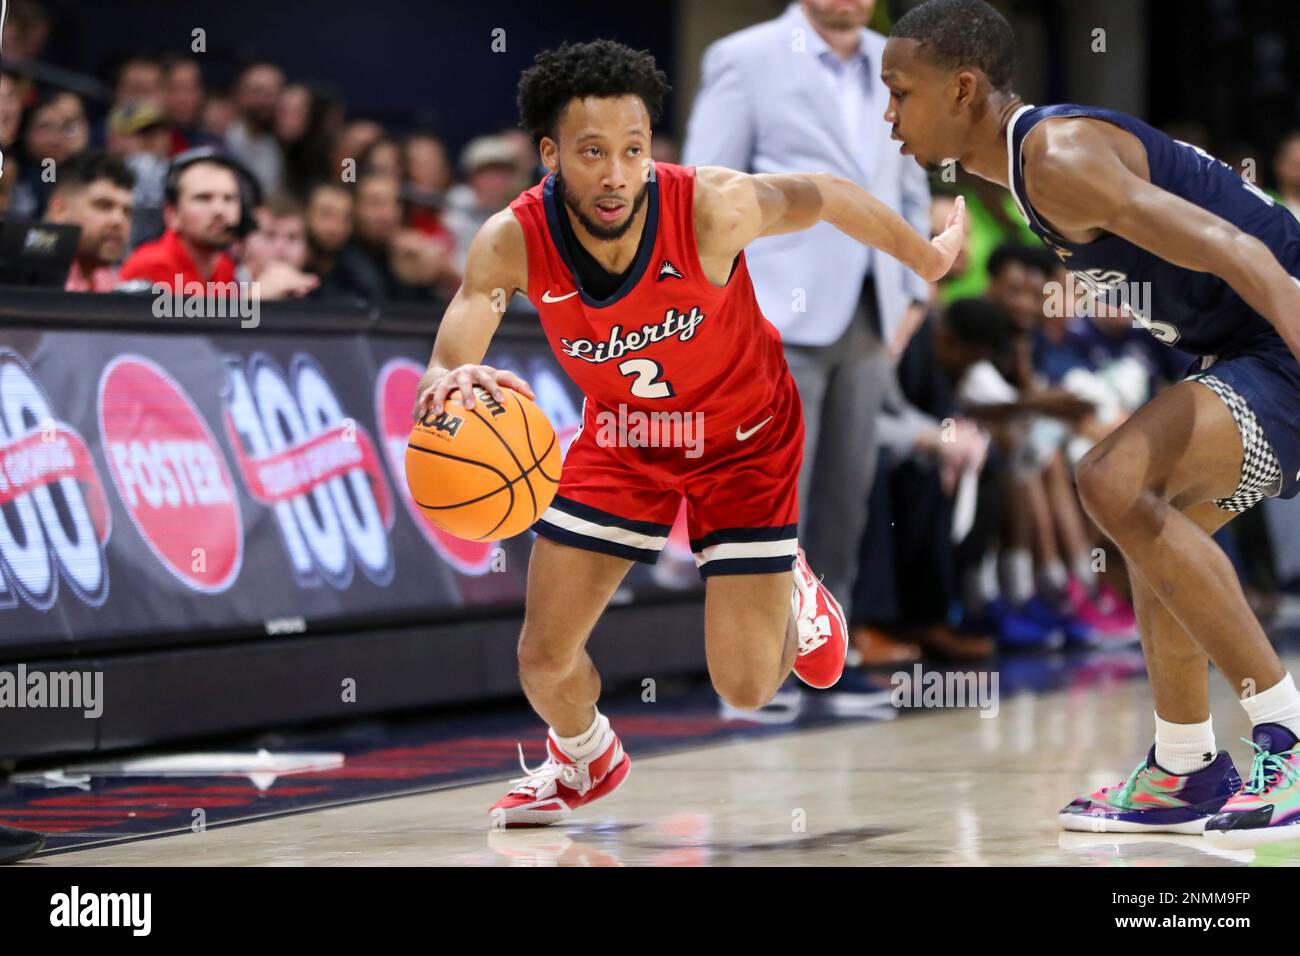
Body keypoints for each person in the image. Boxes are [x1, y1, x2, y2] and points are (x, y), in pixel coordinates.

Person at [410, 40, 963, 827]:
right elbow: (452, 349)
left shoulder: (712, 206)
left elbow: (830, 194)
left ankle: (797, 590)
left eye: (632, 150)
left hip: (746, 439)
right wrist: (444, 381)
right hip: (625, 440)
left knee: (744, 688)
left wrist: (928, 261)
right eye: (591, 152)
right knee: (542, 658)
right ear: (550, 153)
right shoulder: (513, 238)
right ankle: (584, 758)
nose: (614, 174)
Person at [884, 0, 1300, 846]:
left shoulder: (1057, 158)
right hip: (1244, 343)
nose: (888, 114)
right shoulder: (1020, 174)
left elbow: (1241, 252)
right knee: (1153, 525)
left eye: (900, 93)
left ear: (962, 89)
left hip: (1282, 327)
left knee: (1112, 477)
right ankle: (1184, 768)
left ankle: (1287, 739)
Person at [683, 0, 933, 626]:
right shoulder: (745, 57)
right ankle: (757, 657)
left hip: (874, 311)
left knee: (847, 495)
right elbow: (704, 194)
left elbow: (908, 183)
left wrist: (914, 293)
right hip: (770, 314)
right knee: (770, 496)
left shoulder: (897, 59)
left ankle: (828, 647)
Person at [44, 151, 135, 292]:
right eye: (103, 206)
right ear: (59, 210)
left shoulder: (112, 283)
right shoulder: (23, 280)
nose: (119, 220)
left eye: (127, 212)